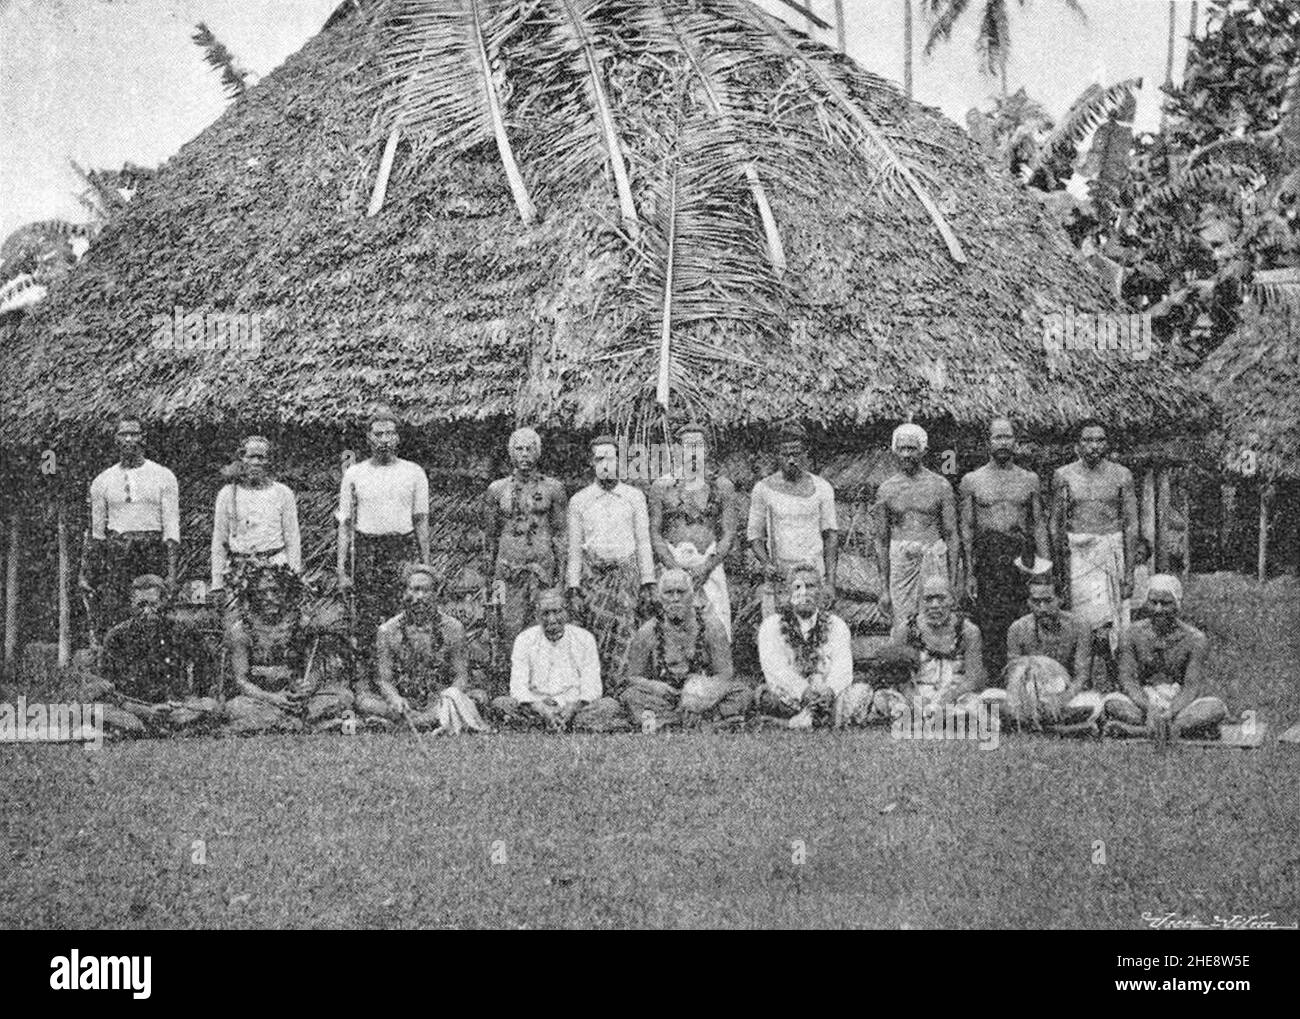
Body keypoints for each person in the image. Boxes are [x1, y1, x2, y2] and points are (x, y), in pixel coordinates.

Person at [337, 408, 430, 672]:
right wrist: (342, 569)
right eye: (379, 434)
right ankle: (368, 676)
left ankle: (399, 673)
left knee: (401, 612)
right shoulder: (354, 474)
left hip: (401, 548)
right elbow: (344, 524)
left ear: (398, 438)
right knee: (366, 616)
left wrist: (425, 564)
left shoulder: (413, 472)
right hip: (367, 550)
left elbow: (421, 521)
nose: (385, 440)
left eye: (390, 433)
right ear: (368, 438)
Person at [959, 418, 1048, 681]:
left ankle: (1023, 678)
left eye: (1007, 437)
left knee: (1022, 617)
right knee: (989, 621)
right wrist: (969, 572)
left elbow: (1039, 524)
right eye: (997, 437)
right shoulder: (972, 480)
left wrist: (1045, 566)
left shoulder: (1029, 480)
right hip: (987, 558)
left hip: (1020, 555)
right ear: (988, 442)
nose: (1003, 442)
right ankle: (993, 681)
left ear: (1016, 442)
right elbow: (966, 529)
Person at [80, 416, 180, 641]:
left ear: (143, 438)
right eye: (123, 434)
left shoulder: (163, 476)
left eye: (134, 434)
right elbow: (97, 534)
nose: (129, 439)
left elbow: (172, 530)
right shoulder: (102, 481)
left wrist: (171, 575)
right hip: (118, 555)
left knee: (153, 613)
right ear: (115, 439)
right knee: (118, 614)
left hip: (152, 552)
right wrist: (88, 572)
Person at [1050, 419, 1137, 677]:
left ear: (1107, 444)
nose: (1093, 446)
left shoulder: (1122, 475)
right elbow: (1055, 524)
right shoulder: (1064, 475)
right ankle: (1081, 682)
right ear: (1078, 445)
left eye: (1099, 440)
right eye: (1087, 440)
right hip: (1078, 558)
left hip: (1110, 553)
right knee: (1081, 624)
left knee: (1112, 627)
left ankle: (1116, 682)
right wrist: (1059, 567)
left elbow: (1131, 524)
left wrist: (1129, 573)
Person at [567, 435, 656, 684]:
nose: (605, 464)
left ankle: (622, 685)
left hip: (626, 578)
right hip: (593, 580)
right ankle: (596, 687)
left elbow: (643, 541)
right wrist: (573, 586)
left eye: (611, 458)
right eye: (599, 459)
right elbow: (574, 548)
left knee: (626, 631)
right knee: (593, 632)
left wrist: (648, 580)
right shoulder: (579, 501)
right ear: (591, 463)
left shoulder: (634, 496)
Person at [359, 565, 489, 732]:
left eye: (426, 591)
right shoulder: (387, 631)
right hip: (405, 703)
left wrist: (447, 697)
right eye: (414, 590)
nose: (420, 597)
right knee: (366, 702)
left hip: (439, 699)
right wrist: (395, 698)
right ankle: (430, 720)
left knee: (478, 698)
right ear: (404, 593)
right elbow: (385, 679)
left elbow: (461, 676)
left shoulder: (453, 628)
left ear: (436, 594)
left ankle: (420, 721)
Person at [1102, 574, 1228, 740]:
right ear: (1145, 602)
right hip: (1142, 702)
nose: (1158, 609)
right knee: (1111, 704)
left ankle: (1142, 731)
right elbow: (1128, 680)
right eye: (1153, 602)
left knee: (1215, 708)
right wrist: (1149, 708)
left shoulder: (1195, 639)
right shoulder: (1131, 634)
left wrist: (1171, 712)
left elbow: (1191, 686)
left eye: (1165, 603)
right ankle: (1180, 730)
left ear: (1177, 604)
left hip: (1180, 704)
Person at [621, 569, 751, 728]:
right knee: (631, 696)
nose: (675, 598)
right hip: (665, 697)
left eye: (681, 592)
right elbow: (633, 677)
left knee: (743, 693)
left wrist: (700, 690)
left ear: (692, 595)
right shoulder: (647, 631)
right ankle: (705, 723)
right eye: (669, 593)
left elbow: (725, 674)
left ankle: (669, 723)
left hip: (704, 696)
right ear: (660, 598)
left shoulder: (712, 627)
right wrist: (654, 686)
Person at [94, 574, 218, 736]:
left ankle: (156, 729)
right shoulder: (117, 636)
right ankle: (157, 728)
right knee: (99, 711)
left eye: (153, 605)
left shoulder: (183, 631)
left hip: (175, 709)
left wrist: (190, 702)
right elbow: (106, 687)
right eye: (141, 605)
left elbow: (205, 675)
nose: (147, 611)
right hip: (133, 708)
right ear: (132, 605)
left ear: (165, 603)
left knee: (212, 706)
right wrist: (144, 710)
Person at [648, 423, 738, 639]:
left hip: (708, 563)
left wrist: (706, 567)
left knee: (715, 624)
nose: (693, 452)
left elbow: (728, 534)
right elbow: (655, 533)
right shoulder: (662, 487)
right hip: (673, 564)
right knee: (672, 625)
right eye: (687, 447)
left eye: (698, 446)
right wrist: (673, 567)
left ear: (707, 450)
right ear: (677, 450)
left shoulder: (722, 486)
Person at [492, 589, 627, 732]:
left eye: (556, 612)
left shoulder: (584, 638)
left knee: (609, 705)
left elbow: (592, 686)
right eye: (545, 613)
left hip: (573, 708)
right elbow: (518, 687)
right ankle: (565, 726)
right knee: (501, 704)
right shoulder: (524, 639)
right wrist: (542, 709)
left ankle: (545, 726)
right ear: (536, 615)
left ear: (566, 612)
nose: (551, 619)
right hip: (537, 706)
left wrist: (572, 708)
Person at [485, 427, 568, 651]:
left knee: (544, 625)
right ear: (511, 453)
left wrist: (560, 578)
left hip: (543, 570)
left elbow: (560, 535)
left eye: (529, 449)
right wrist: (492, 586)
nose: (524, 454)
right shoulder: (497, 490)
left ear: (538, 453)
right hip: (506, 571)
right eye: (519, 449)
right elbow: (491, 538)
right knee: (506, 625)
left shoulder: (553, 489)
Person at [872, 576, 998, 720]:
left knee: (981, 702)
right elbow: (900, 678)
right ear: (920, 602)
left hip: (955, 697)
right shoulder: (906, 629)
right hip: (916, 696)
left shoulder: (968, 631)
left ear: (953, 600)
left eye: (941, 598)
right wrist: (917, 701)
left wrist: (947, 698)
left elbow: (972, 679)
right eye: (928, 599)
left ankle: (937, 718)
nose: (934, 605)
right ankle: (930, 718)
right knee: (882, 698)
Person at [755, 565, 867, 728]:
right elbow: (776, 669)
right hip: (790, 698)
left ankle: (792, 723)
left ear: (821, 593)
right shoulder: (772, 625)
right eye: (797, 587)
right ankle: (816, 720)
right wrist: (803, 692)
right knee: (766, 697)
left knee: (861, 692)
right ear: (788, 593)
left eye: (811, 586)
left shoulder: (836, 625)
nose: (804, 592)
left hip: (828, 699)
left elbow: (843, 667)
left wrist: (830, 692)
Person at [210, 435, 302, 629]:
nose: (255, 462)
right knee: (237, 629)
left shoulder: (282, 493)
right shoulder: (227, 494)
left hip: (274, 574)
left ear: (269, 461)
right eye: (250, 456)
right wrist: (217, 583)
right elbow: (219, 541)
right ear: (241, 459)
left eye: (261, 457)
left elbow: (292, 539)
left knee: (277, 628)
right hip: (238, 571)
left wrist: (294, 576)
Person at [747, 422, 839, 614]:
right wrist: (766, 563)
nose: (791, 460)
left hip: (813, 572)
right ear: (776, 455)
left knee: (814, 632)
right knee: (778, 632)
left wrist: (830, 582)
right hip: (781, 575)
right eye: (785, 454)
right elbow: (755, 536)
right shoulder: (763, 489)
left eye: (796, 454)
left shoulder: (822, 488)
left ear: (806, 453)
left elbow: (831, 536)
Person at [874, 423, 957, 625]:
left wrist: (953, 582)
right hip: (901, 563)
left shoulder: (940, 486)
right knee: (902, 622)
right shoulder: (886, 490)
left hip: (933, 558)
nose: (906, 454)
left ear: (923, 451)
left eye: (911, 448)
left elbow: (951, 534)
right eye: (901, 449)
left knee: (937, 619)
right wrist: (884, 589)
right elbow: (881, 540)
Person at [1002, 579, 1104, 733]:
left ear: (1060, 599)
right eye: (1036, 602)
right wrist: (1031, 700)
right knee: (988, 698)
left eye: (1048, 601)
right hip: (1029, 696)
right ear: (1028, 602)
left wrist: (1059, 702)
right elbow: (1013, 676)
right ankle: (1061, 728)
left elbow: (1082, 677)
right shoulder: (1017, 629)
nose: (1042, 608)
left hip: (1067, 696)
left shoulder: (1080, 626)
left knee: (1094, 704)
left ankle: (1035, 725)